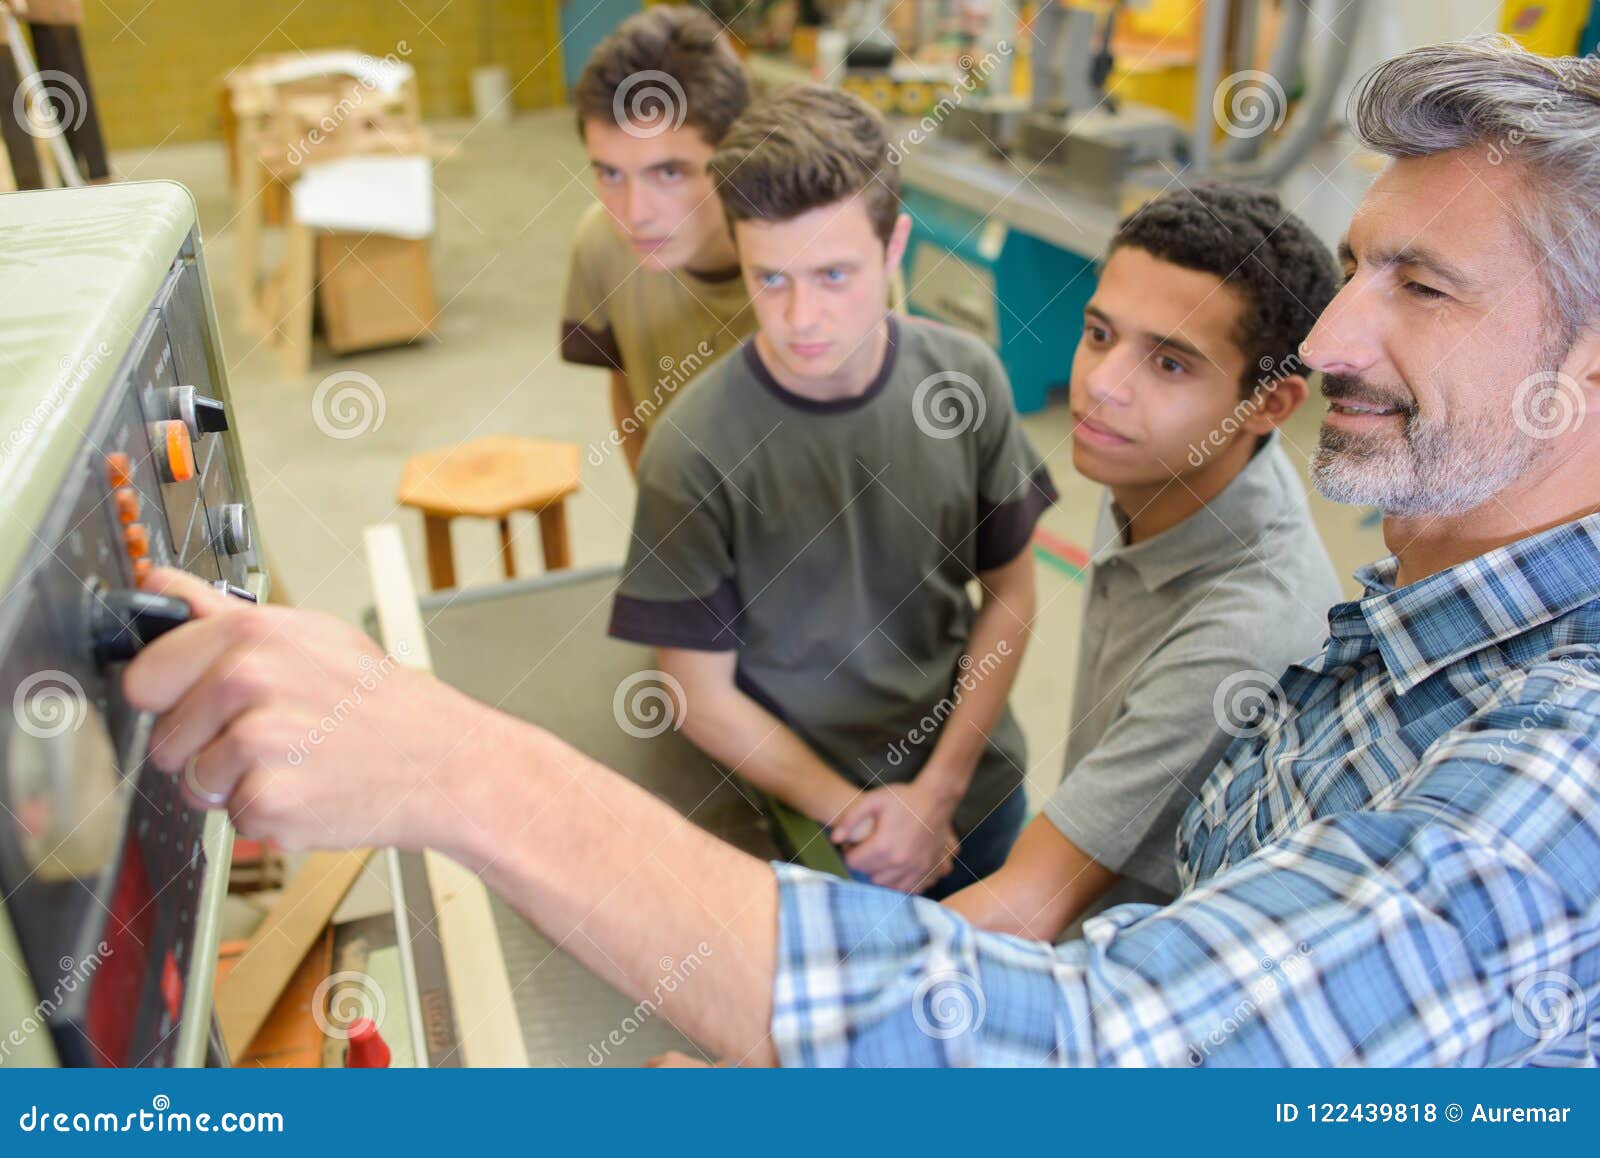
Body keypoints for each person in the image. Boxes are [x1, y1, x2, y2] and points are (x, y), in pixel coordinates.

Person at [130, 36, 1600, 1065]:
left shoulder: (1546, 791)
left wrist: (458, 765)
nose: (1340, 337)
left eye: (1424, 286)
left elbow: (1106, 1045)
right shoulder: (1396, 610)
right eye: (1355, 272)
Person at [608, 85, 1057, 898]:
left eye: (834, 274)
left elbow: (1013, 594)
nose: (800, 317)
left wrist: (940, 792)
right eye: (769, 278)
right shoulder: (694, 446)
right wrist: (858, 814)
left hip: (976, 797)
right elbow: (698, 696)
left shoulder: (968, 384)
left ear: (895, 249)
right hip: (807, 830)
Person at [944, 183, 1343, 940]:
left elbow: (1031, 904)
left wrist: (782, 1052)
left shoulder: (1246, 631)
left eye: (1169, 364)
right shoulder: (1163, 463)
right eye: (1100, 334)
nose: (1101, 386)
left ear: (1270, 403)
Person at [561, 6, 755, 473]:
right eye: (609, 173)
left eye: (668, 172)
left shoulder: (823, 257)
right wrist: (661, 518)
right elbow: (626, 387)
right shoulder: (601, 242)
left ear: (735, 153)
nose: (633, 214)